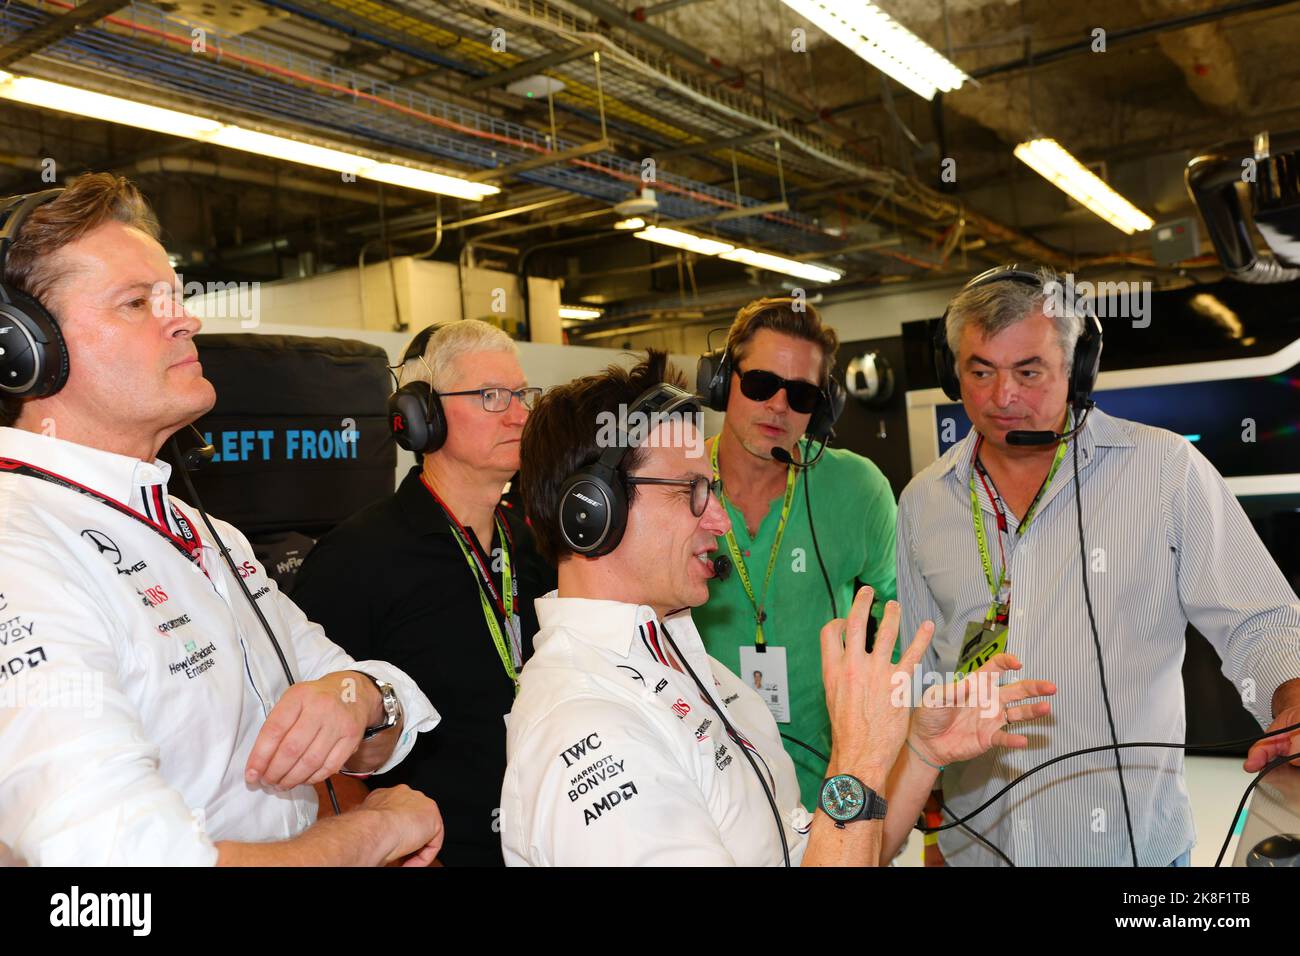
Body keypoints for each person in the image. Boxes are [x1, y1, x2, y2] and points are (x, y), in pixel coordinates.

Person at [0, 175, 443, 866]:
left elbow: (383, 700)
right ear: (25, 350)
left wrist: (357, 700)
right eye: (137, 302)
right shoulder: (19, 548)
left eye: (175, 296)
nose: (186, 320)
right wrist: (379, 830)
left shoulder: (202, 530)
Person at [500, 351, 1054, 866]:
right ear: (594, 511)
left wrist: (922, 752)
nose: (718, 519)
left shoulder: (699, 672)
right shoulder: (586, 728)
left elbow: (834, 847)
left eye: (711, 488)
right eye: (691, 490)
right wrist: (857, 759)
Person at [896, 265, 1300, 866]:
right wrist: (932, 830)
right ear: (952, 374)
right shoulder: (924, 500)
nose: (1002, 396)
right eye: (980, 371)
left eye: (1028, 371)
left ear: (1078, 369)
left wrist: (1290, 699)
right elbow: (924, 678)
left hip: (1129, 852)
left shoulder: (1165, 472)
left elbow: (1258, 621)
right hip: (975, 849)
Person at [293, 319, 555, 866]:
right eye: (490, 396)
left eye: (521, 394)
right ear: (422, 416)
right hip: (434, 854)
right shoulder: (355, 559)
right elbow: (315, 757)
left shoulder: (533, 546)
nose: (519, 414)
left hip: (545, 840)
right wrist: (395, 851)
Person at [694, 296, 898, 807]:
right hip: (707, 795)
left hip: (832, 793)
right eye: (761, 384)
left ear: (823, 409)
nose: (779, 406)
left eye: (803, 395)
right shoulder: (672, 482)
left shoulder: (859, 488)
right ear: (721, 381)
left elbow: (895, 634)